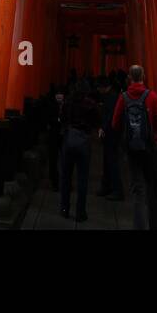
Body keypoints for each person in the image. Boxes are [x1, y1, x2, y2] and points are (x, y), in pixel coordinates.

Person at [111, 64, 157, 230]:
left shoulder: (124, 97)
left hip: (132, 148)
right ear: (144, 77)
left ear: (129, 77)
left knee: (138, 190)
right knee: (154, 188)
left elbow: (115, 124)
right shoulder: (152, 96)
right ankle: (155, 225)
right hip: (151, 147)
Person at [58, 79, 101, 221]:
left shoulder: (67, 102)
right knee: (82, 179)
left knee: (66, 177)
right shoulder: (91, 104)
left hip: (69, 139)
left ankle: (64, 208)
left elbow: (62, 119)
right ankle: (80, 212)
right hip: (83, 141)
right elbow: (96, 122)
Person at [95, 76, 124, 201]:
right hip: (113, 132)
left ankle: (117, 190)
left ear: (103, 87)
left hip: (112, 133)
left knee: (111, 161)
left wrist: (103, 128)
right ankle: (107, 186)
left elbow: (110, 115)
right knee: (108, 161)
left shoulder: (111, 97)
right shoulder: (114, 96)